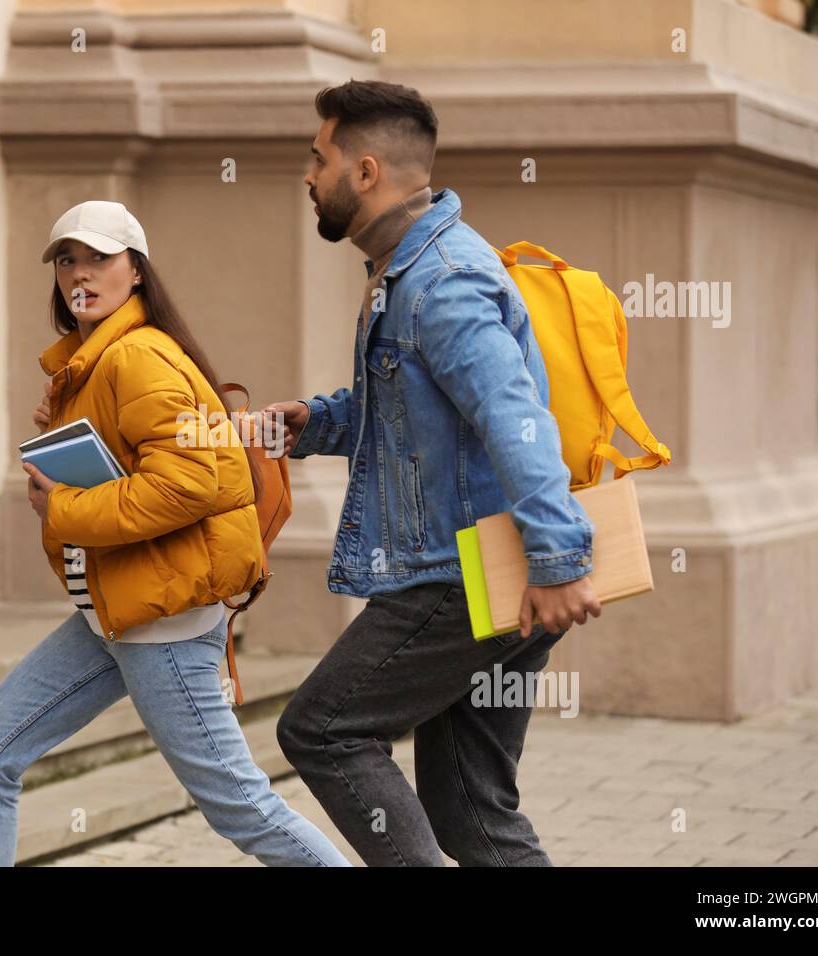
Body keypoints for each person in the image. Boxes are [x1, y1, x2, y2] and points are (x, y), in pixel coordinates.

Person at [0, 199, 350, 867]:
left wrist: (66, 508)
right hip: (118, 609)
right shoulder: (98, 359)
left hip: (161, 622)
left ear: (135, 271)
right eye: (67, 260)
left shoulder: (138, 357)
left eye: (100, 258)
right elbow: (133, 469)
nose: (80, 272)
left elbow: (192, 485)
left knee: (243, 809)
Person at [265, 79, 602, 866]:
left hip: (459, 577)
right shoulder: (410, 269)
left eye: (319, 158)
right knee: (473, 815)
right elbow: (421, 417)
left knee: (321, 728)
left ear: (367, 170)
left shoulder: (441, 281)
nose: (308, 176)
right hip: (488, 572)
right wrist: (316, 424)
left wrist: (558, 558)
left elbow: (513, 415)